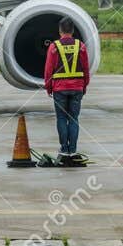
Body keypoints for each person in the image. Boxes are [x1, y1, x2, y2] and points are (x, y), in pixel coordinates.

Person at [41, 17, 91, 165]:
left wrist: (48, 87)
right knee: (74, 119)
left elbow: (48, 70)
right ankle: (73, 150)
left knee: (62, 119)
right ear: (73, 30)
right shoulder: (80, 46)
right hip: (77, 88)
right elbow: (86, 68)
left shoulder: (54, 47)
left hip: (59, 89)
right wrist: (84, 86)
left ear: (60, 30)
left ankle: (64, 150)